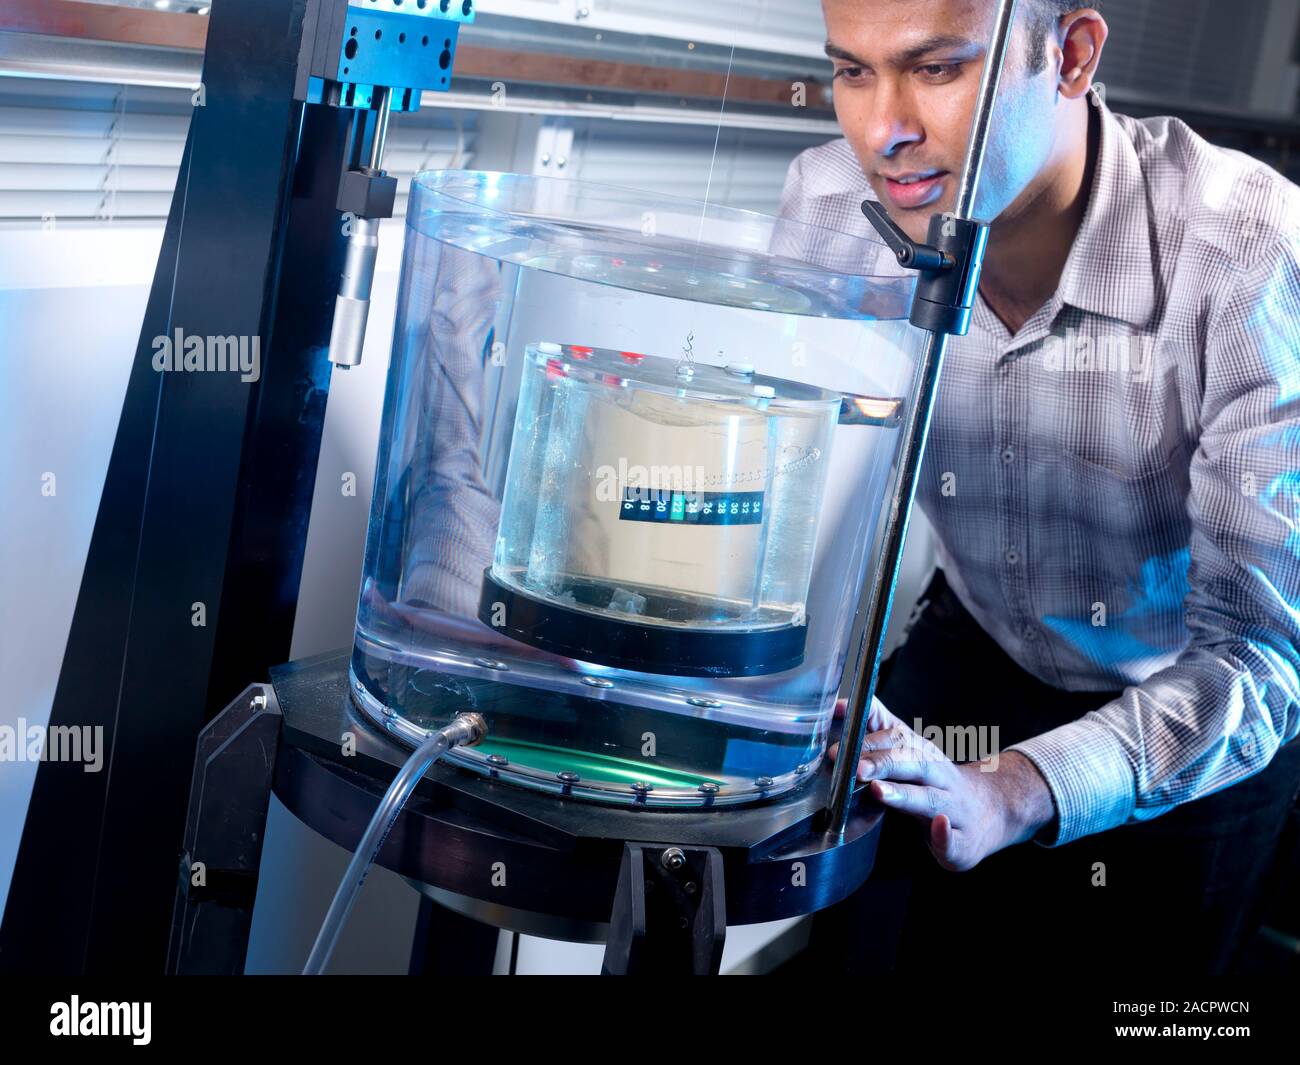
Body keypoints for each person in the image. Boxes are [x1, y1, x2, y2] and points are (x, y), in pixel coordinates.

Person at [779, 0, 1300, 975]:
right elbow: (794, 501)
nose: (882, 130)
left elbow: (1262, 656)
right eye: (851, 71)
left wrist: (1012, 791)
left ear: (1069, 54)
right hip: (978, 638)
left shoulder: (1250, 250)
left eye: (934, 70)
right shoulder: (826, 209)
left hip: (1193, 694)